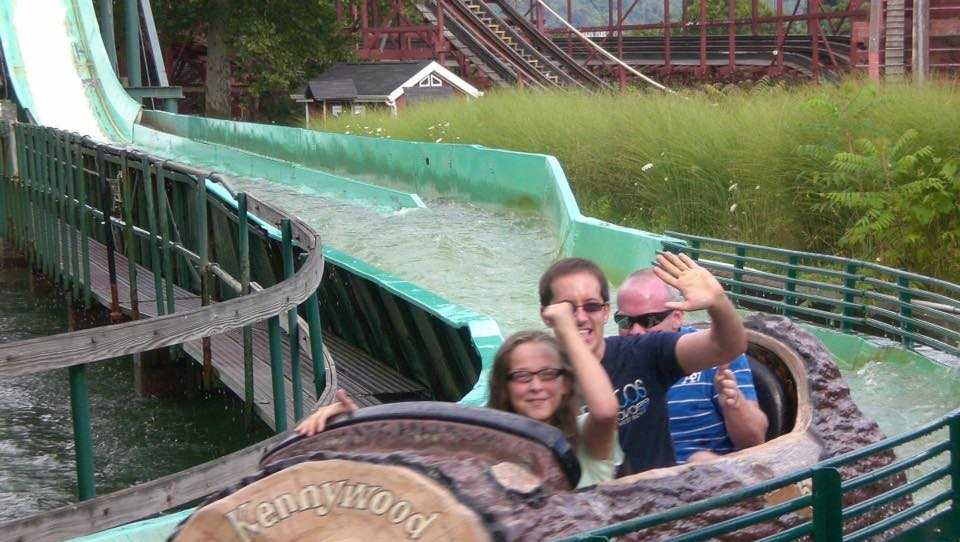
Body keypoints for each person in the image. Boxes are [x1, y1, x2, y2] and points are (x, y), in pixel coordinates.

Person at [296, 302, 620, 488]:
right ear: (504, 387)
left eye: (548, 374)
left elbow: (606, 411)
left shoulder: (587, 440)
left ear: (566, 383)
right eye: (521, 377)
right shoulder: (481, 446)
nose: (536, 386)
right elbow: (410, 462)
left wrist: (565, 328)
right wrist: (354, 425)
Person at [537, 252, 747, 474]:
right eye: (567, 308)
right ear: (546, 315)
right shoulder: (536, 378)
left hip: (656, 499)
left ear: (606, 312)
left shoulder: (643, 351)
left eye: (591, 307)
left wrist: (718, 303)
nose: (580, 318)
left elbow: (727, 347)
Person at [616, 269, 768, 464]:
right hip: (639, 482)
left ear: (677, 317)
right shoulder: (614, 358)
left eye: (649, 320)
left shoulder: (716, 351)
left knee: (700, 460)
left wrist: (734, 403)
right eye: (625, 321)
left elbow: (755, 441)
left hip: (709, 480)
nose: (636, 331)